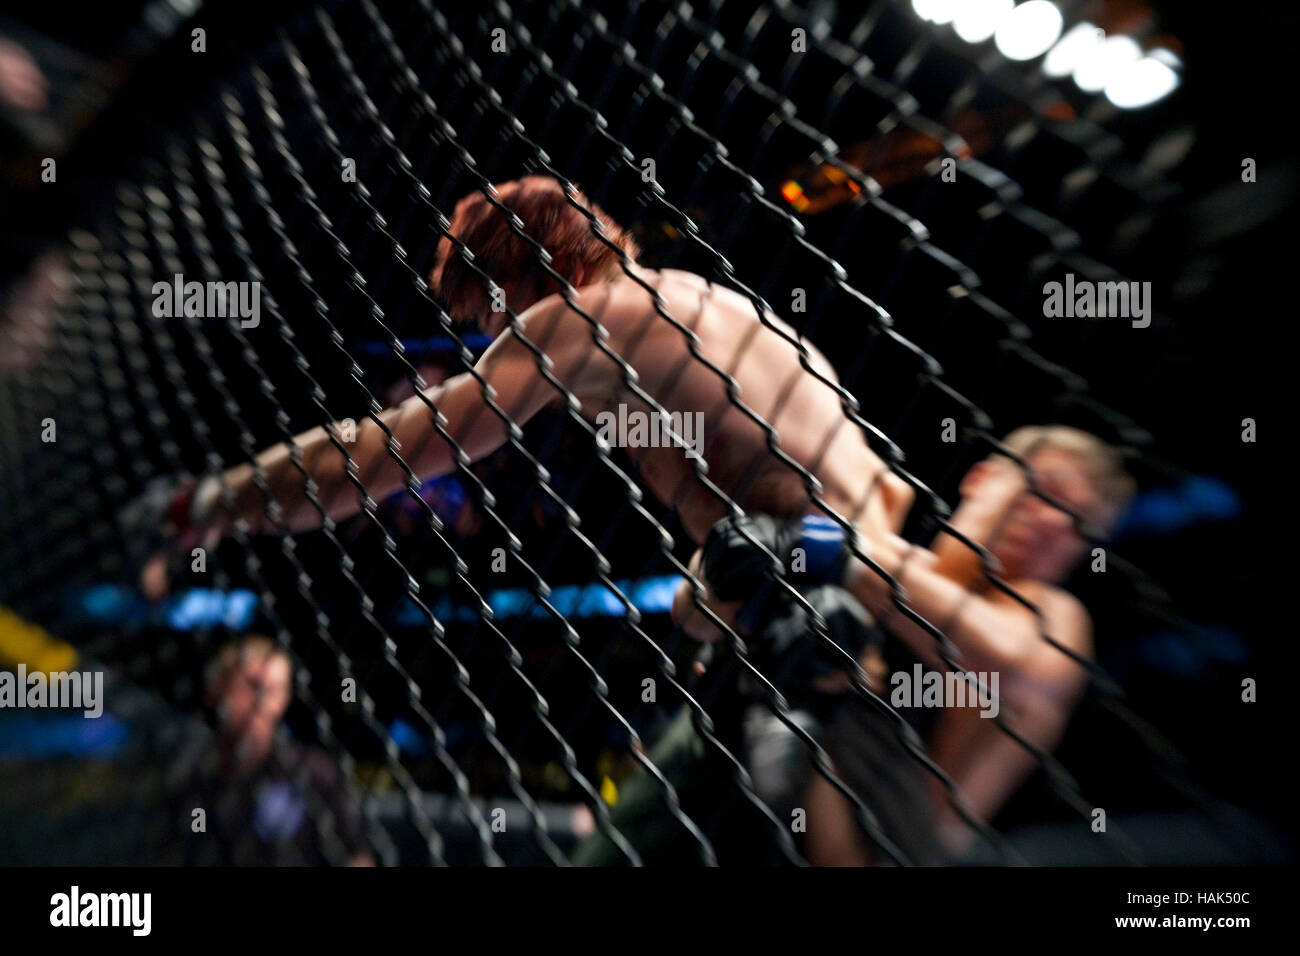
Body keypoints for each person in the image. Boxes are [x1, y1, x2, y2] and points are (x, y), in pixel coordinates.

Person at [160, 634, 374, 866]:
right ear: (217, 688)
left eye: (274, 690)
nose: (262, 701)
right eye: (253, 686)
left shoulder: (314, 772)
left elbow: (358, 857)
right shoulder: (190, 775)